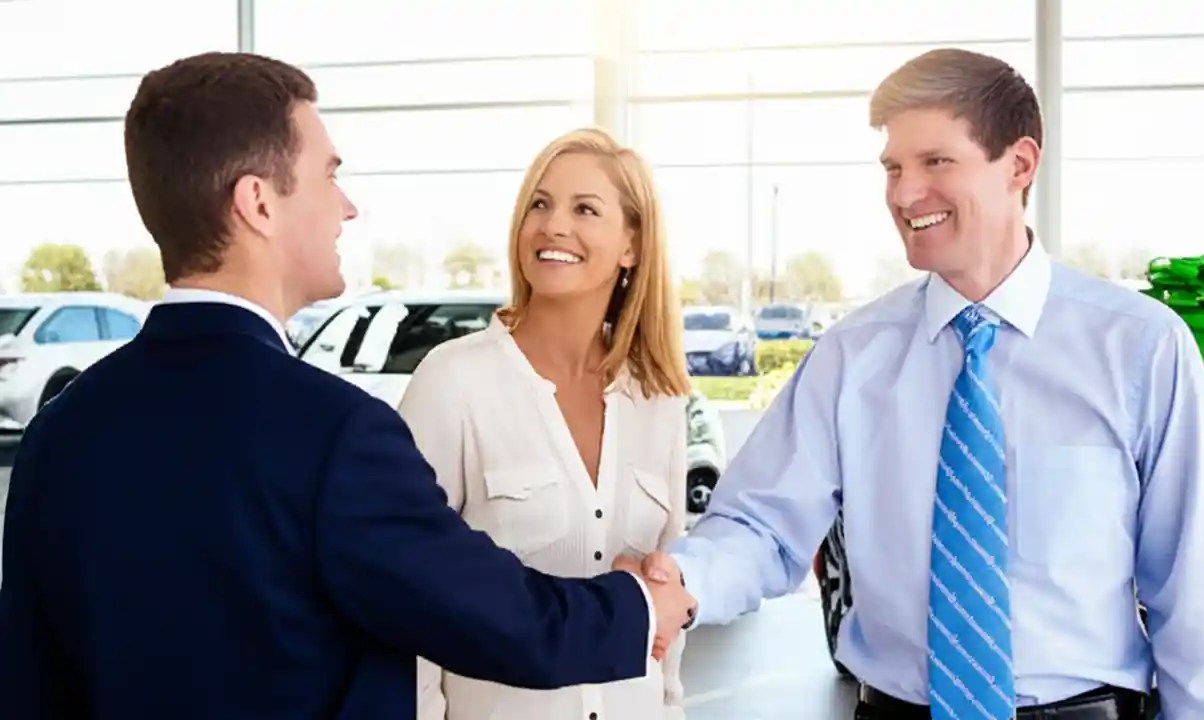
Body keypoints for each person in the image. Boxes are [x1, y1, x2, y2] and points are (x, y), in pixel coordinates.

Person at [0, 52, 696, 720]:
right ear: (258, 204)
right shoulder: (336, 435)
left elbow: (28, 690)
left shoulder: (60, 436)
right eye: (328, 175)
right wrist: (640, 609)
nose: (347, 207)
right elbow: (492, 616)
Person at [640, 48, 1204, 719]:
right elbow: (763, 526)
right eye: (894, 168)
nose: (904, 194)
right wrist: (687, 580)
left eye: (936, 162)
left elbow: (1191, 592)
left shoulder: (1140, 346)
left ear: (1019, 164)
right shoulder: (854, 355)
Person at [397, 127, 691, 719]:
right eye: (540, 203)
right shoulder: (453, 382)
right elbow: (409, 599)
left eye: (585, 209)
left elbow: (668, 598)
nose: (553, 225)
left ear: (632, 245)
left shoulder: (659, 397)